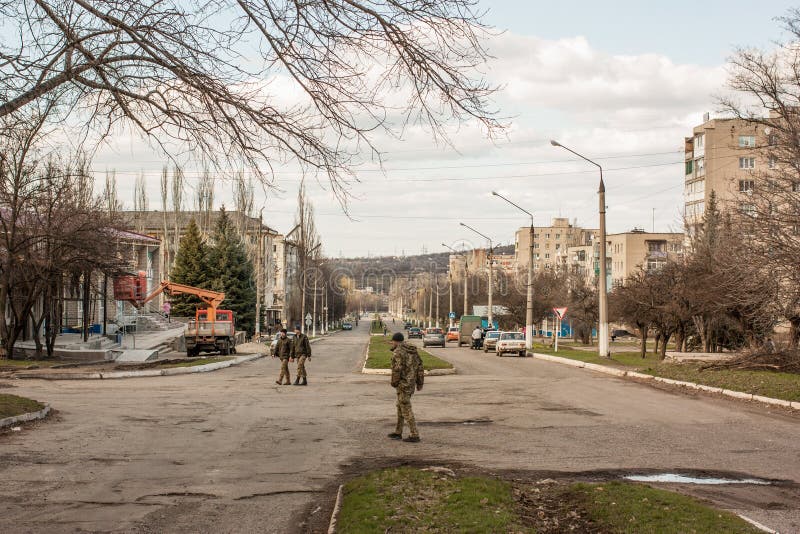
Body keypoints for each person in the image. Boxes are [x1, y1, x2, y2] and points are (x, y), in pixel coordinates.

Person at [387, 332, 424, 443]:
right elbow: (420, 367)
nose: (392, 343)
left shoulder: (398, 352)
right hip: (411, 383)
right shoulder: (413, 351)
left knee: (406, 408)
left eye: (393, 341)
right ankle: (398, 432)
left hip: (403, 384)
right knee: (400, 406)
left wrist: (394, 382)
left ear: (396, 341)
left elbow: (397, 370)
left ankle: (414, 434)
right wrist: (420, 383)